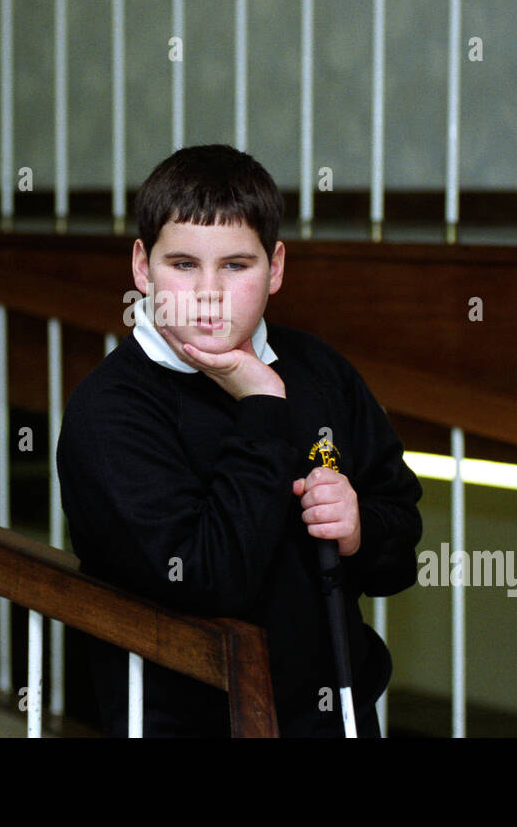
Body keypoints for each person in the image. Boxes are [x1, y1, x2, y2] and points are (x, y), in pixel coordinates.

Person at [56, 143, 423, 737]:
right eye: (182, 264)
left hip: (339, 720)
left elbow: (400, 547)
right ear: (140, 267)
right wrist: (259, 403)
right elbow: (209, 578)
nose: (208, 291)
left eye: (235, 265)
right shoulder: (110, 411)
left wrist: (360, 530)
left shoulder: (320, 370)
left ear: (275, 267)